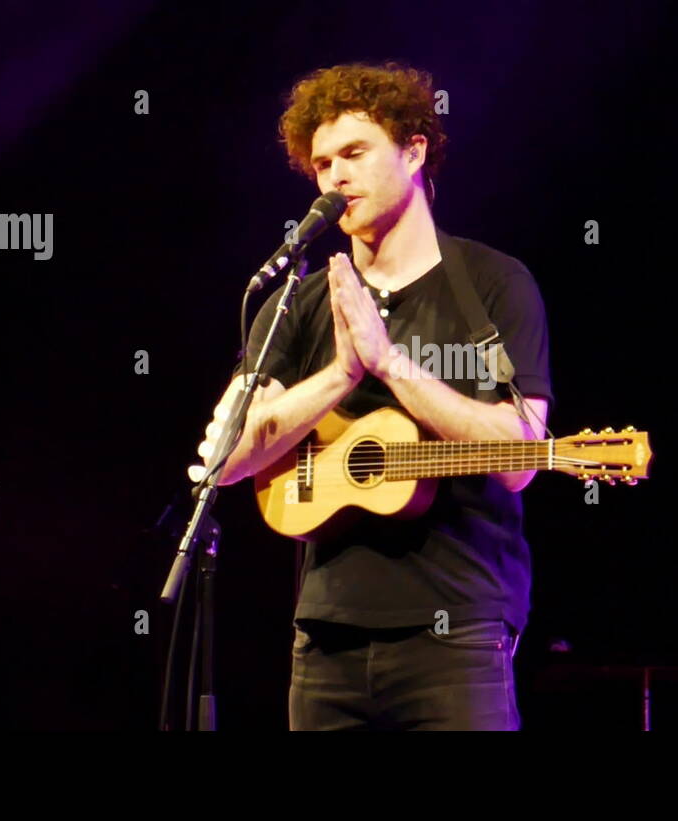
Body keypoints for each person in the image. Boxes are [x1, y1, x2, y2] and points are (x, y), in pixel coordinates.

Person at [190, 62, 553, 730]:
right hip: (325, 639)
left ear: (413, 151)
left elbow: (519, 457)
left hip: (460, 633)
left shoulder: (493, 283)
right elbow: (229, 460)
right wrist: (340, 376)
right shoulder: (297, 299)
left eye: (355, 153)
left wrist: (391, 363)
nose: (335, 177)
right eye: (321, 163)